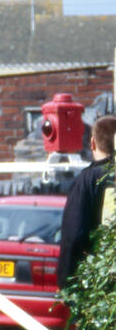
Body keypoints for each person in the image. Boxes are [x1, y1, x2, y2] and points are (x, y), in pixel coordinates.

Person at [56, 115, 116, 288]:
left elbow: (74, 234)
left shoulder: (87, 180)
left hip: (99, 282)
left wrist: (65, 283)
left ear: (92, 143)